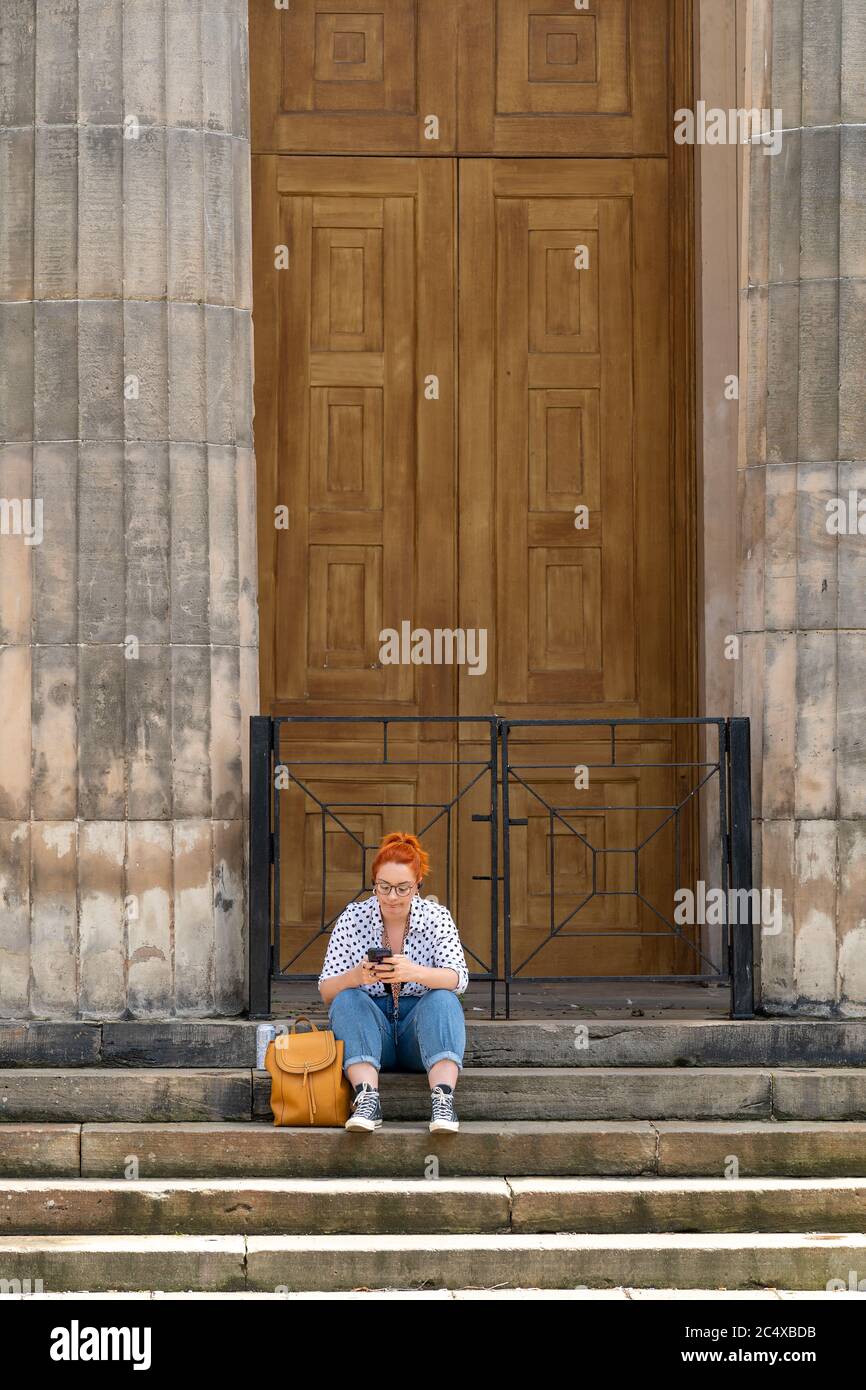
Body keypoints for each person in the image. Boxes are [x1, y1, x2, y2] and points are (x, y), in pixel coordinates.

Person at [318, 831, 469, 1133]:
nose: (392, 897)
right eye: (384, 887)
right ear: (374, 883)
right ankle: (367, 1099)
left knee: (444, 998)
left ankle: (443, 1101)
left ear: (417, 886)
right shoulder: (353, 918)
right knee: (347, 997)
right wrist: (355, 977)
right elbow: (326, 990)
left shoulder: (436, 916)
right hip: (373, 1032)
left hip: (419, 1033)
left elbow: (458, 977)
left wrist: (414, 972)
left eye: (403, 888)